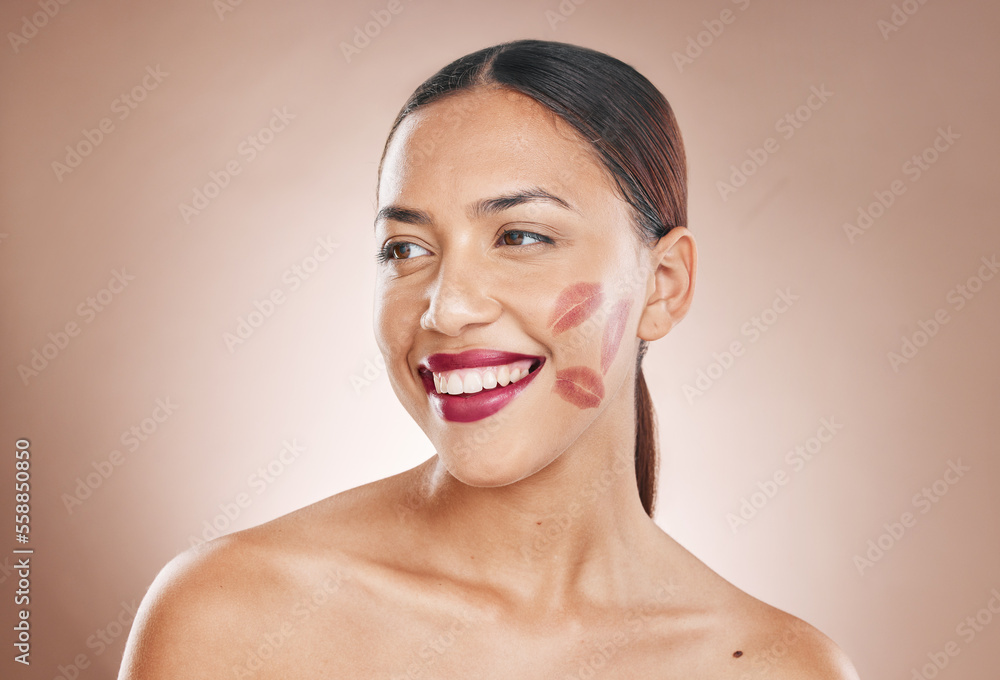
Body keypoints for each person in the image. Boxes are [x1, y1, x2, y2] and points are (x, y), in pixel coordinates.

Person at [119, 39, 859, 679]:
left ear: (664, 286)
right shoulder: (229, 615)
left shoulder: (778, 667)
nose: (447, 307)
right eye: (406, 249)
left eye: (521, 236)